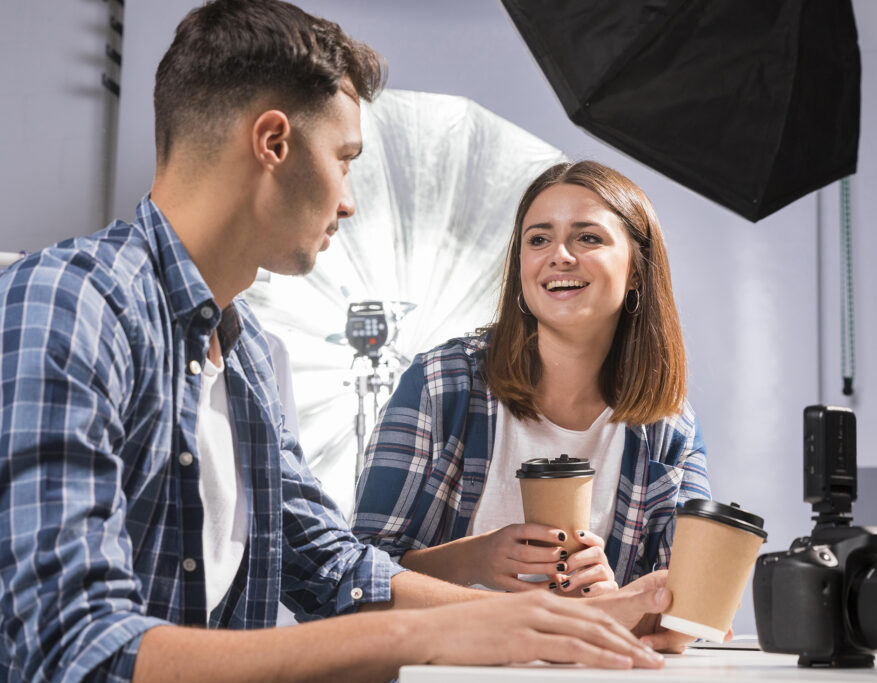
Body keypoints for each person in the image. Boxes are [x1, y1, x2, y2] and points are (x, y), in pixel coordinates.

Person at [0, 2, 677, 680]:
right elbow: (73, 645)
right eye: (344, 158)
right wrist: (444, 627)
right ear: (273, 142)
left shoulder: (249, 357)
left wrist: (550, 625)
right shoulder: (70, 301)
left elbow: (330, 565)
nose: (348, 200)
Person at [353, 162, 710, 611]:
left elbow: (689, 608)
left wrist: (613, 602)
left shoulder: (668, 427)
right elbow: (354, 574)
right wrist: (473, 561)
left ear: (638, 270)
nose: (559, 254)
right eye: (538, 239)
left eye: (588, 237)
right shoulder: (441, 383)